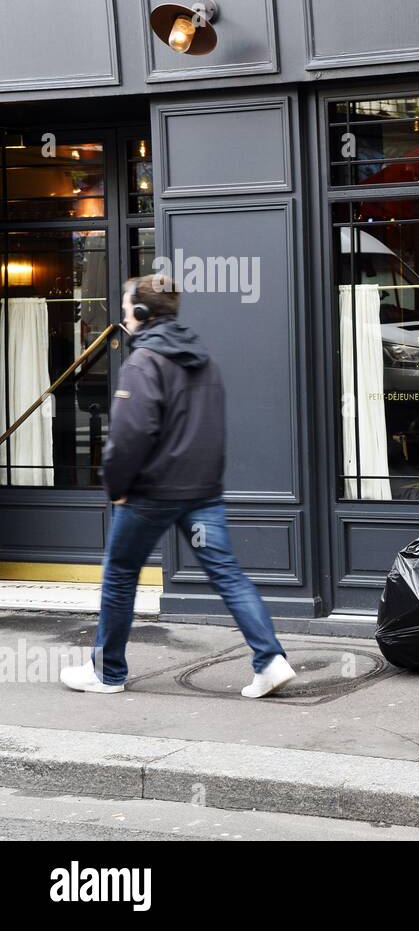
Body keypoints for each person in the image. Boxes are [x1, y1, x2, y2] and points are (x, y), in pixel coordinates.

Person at [60, 275, 295, 699]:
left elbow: (131, 434)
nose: (123, 314)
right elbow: (213, 426)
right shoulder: (202, 358)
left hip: (150, 494)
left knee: (119, 576)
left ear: (143, 313)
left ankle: (108, 672)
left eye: (127, 305)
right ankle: (270, 660)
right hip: (201, 493)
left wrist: (116, 485)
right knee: (228, 575)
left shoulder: (144, 361)